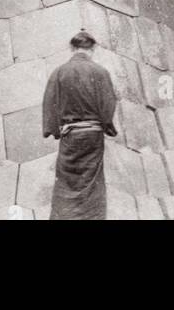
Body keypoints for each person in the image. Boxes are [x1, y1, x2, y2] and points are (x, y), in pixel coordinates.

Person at [41, 29, 118, 220]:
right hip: (93, 136)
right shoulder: (100, 72)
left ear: (72, 48)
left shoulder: (59, 72)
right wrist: (107, 126)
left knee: (66, 183)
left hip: (70, 135)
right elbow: (108, 105)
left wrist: (54, 131)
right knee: (92, 183)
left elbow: (50, 103)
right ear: (92, 49)